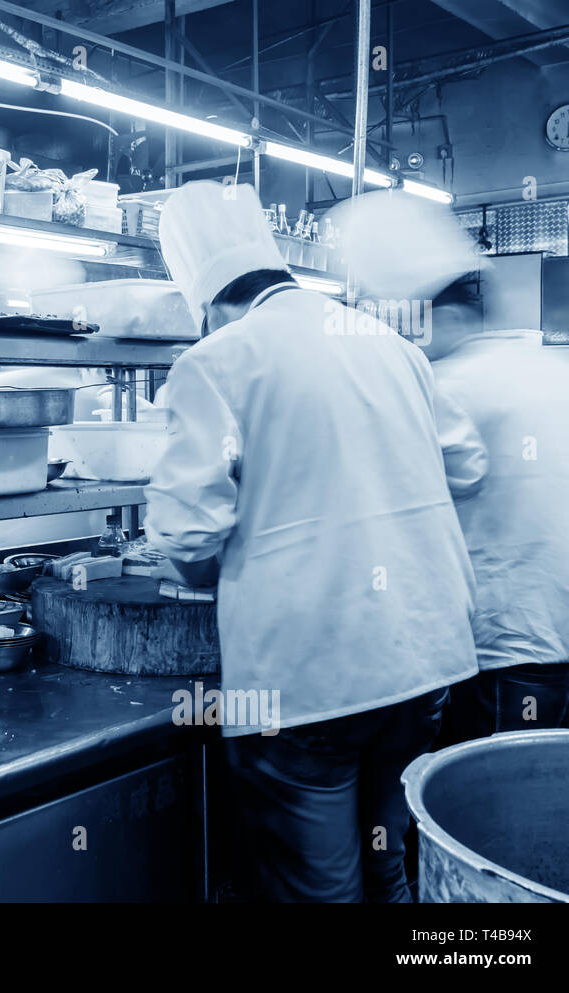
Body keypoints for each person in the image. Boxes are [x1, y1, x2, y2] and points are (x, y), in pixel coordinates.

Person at [146, 180, 486, 902]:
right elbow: (468, 464)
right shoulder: (388, 342)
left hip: (307, 679)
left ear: (203, 297)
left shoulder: (215, 361)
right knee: (386, 861)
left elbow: (188, 533)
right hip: (427, 656)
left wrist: (207, 563)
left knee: (319, 888)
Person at [337, 191, 569, 738]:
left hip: (516, 657)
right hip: (565, 641)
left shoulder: (448, 389)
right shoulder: (548, 367)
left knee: (493, 814)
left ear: (430, 315)